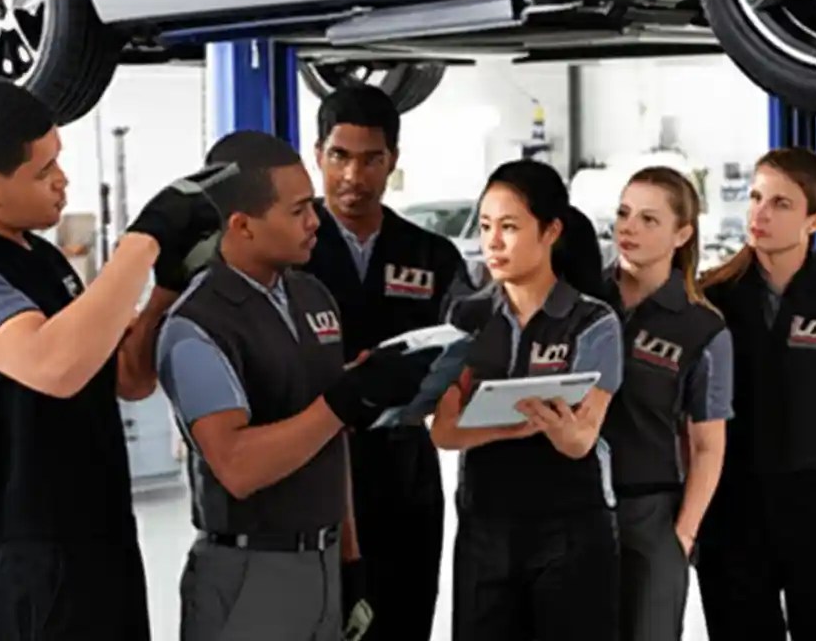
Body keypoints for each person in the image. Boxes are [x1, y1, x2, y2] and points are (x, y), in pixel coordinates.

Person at [0, 80, 223, 640]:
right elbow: (55, 367)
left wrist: (166, 289)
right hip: (34, 567)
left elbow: (125, 380)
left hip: (101, 544)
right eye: (42, 170)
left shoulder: (39, 254)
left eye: (60, 161)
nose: (62, 180)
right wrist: (141, 242)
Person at [154, 130, 439, 641]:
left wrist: (351, 558)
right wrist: (345, 397)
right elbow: (237, 465)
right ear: (241, 225)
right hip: (249, 572)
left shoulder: (312, 296)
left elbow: (335, 436)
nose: (315, 222)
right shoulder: (196, 325)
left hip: (325, 562)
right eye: (298, 210)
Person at [696, 148, 816, 641]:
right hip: (731, 502)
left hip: (814, 498)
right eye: (756, 197)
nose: (759, 214)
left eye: (780, 204)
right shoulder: (710, 299)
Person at [300, 85, 473, 641]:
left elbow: (471, 349)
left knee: (405, 617)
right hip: (315, 465)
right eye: (339, 156)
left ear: (392, 161)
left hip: (406, 477)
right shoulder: (291, 254)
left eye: (371, 159)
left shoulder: (430, 255)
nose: (354, 176)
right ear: (317, 154)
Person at [430, 160, 624, 641]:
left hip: (571, 529)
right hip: (485, 527)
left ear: (551, 230)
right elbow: (445, 431)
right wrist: (515, 426)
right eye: (488, 226)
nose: (493, 242)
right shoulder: (466, 317)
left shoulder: (593, 322)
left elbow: (580, 441)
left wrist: (529, 423)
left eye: (510, 227)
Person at [601, 167, 732, 641]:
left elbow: (708, 446)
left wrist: (681, 537)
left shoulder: (702, 329)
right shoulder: (579, 302)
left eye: (648, 219)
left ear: (682, 233)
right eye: (623, 213)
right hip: (571, 510)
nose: (628, 228)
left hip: (650, 514)